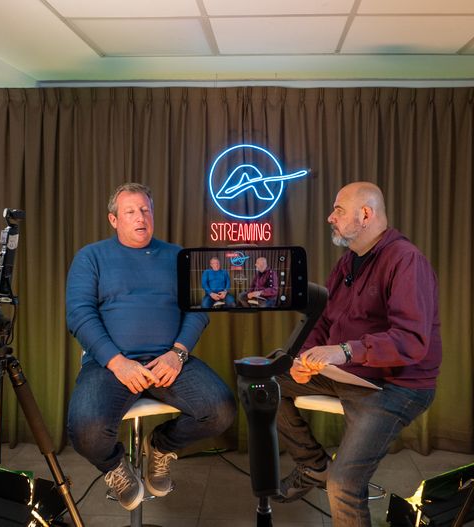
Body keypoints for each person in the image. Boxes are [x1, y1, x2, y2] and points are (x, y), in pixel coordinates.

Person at [273, 181, 442, 527]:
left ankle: (330, 477)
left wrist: (346, 351)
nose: (329, 217)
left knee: (345, 484)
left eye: (338, 209)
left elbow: (411, 340)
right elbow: (323, 322)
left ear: (365, 214)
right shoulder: (347, 263)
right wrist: (305, 359)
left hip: (397, 387)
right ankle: (313, 465)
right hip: (349, 372)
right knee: (264, 381)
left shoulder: (407, 261)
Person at [66, 182, 236, 511]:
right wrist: (116, 362)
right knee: (85, 431)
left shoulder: (177, 256)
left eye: (145, 209)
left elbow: (197, 310)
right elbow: (79, 314)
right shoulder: (91, 257)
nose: (140, 217)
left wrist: (178, 353)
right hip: (111, 365)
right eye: (130, 211)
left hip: (170, 361)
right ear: (113, 220)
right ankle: (116, 467)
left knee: (221, 410)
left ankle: (159, 447)